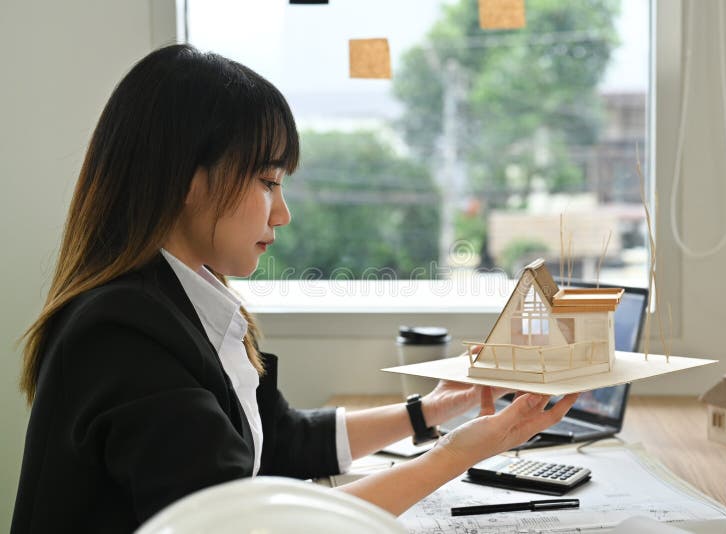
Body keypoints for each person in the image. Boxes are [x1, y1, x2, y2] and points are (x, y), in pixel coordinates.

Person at [12, 44, 577, 532]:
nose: (281, 213)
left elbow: (278, 441)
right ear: (189, 179)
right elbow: (244, 526)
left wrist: (431, 409)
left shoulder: (183, 303)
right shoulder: (124, 335)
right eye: (268, 181)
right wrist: (458, 453)